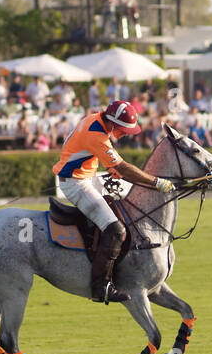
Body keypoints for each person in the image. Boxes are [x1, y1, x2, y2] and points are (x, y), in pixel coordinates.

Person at [52, 100, 175, 303]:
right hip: (76, 183)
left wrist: (111, 169)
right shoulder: (97, 135)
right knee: (116, 229)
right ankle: (102, 286)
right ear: (113, 122)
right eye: (124, 129)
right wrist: (157, 182)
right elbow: (124, 168)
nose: (127, 133)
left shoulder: (97, 119)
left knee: (129, 204)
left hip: (86, 176)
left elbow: (101, 158)